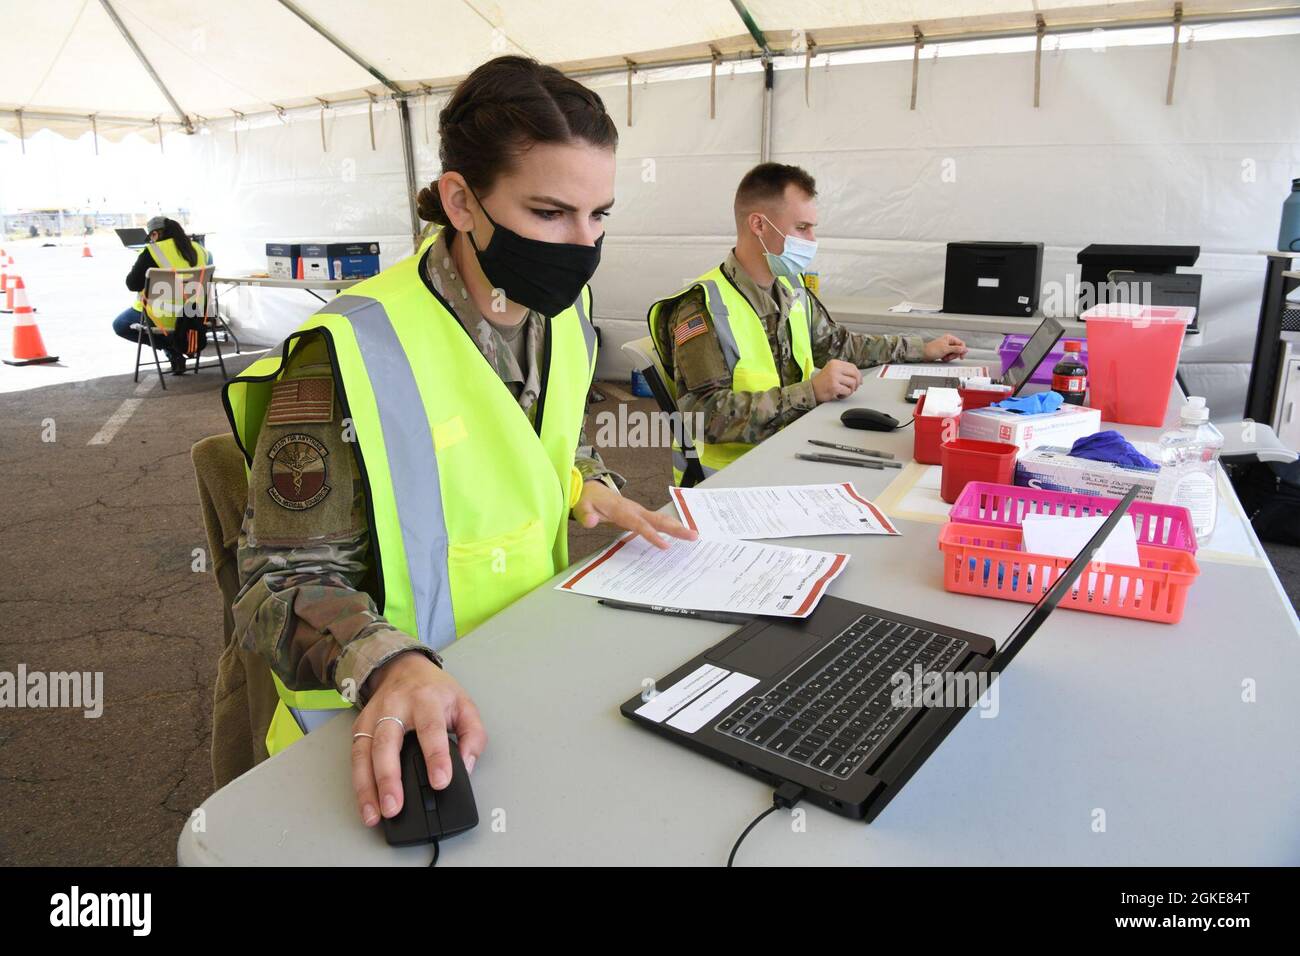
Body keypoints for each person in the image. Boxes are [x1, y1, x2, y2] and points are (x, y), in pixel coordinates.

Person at [223, 55, 695, 829]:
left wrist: (588, 483)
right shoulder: (345, 353)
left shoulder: (565, 318)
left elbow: (539, 437)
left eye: (600, 215)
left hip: (532, 669)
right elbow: (277, 581)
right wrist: (391, 664)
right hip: (388, 727)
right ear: (461, 200)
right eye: (549, 214)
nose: (582, 245)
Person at [648, 163, 968, 484]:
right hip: (730, 479)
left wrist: (922, 349)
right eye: (802, 228)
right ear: (758, 224)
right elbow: (703, 415)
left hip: (788, 453)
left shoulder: (790, 288)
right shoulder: (702, 307)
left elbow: (838, 345)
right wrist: (809, 392)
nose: (812, 239)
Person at [111, 216, 211, 374]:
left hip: (163, 316)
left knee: (120, 325)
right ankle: (175, 347)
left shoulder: (152, 251)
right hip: (196, 315)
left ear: (155, 234)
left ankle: (172, 348)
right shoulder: (200, 250)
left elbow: (132, 284)